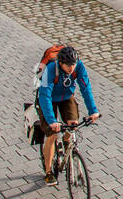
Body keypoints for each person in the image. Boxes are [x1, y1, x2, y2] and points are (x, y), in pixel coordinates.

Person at [35, 46, 100, 186]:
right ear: (60, 63)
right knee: (52, 134)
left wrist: (93, 111)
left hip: (66, 96)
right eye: (68, 65)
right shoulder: (51, 69)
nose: (71, 68)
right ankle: (48, 172)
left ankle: (67, 144)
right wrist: (52, 121)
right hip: (48, 99)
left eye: (73, 64)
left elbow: (85, 87)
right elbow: (45, 95)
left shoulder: (79, 66)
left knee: (73, 124)